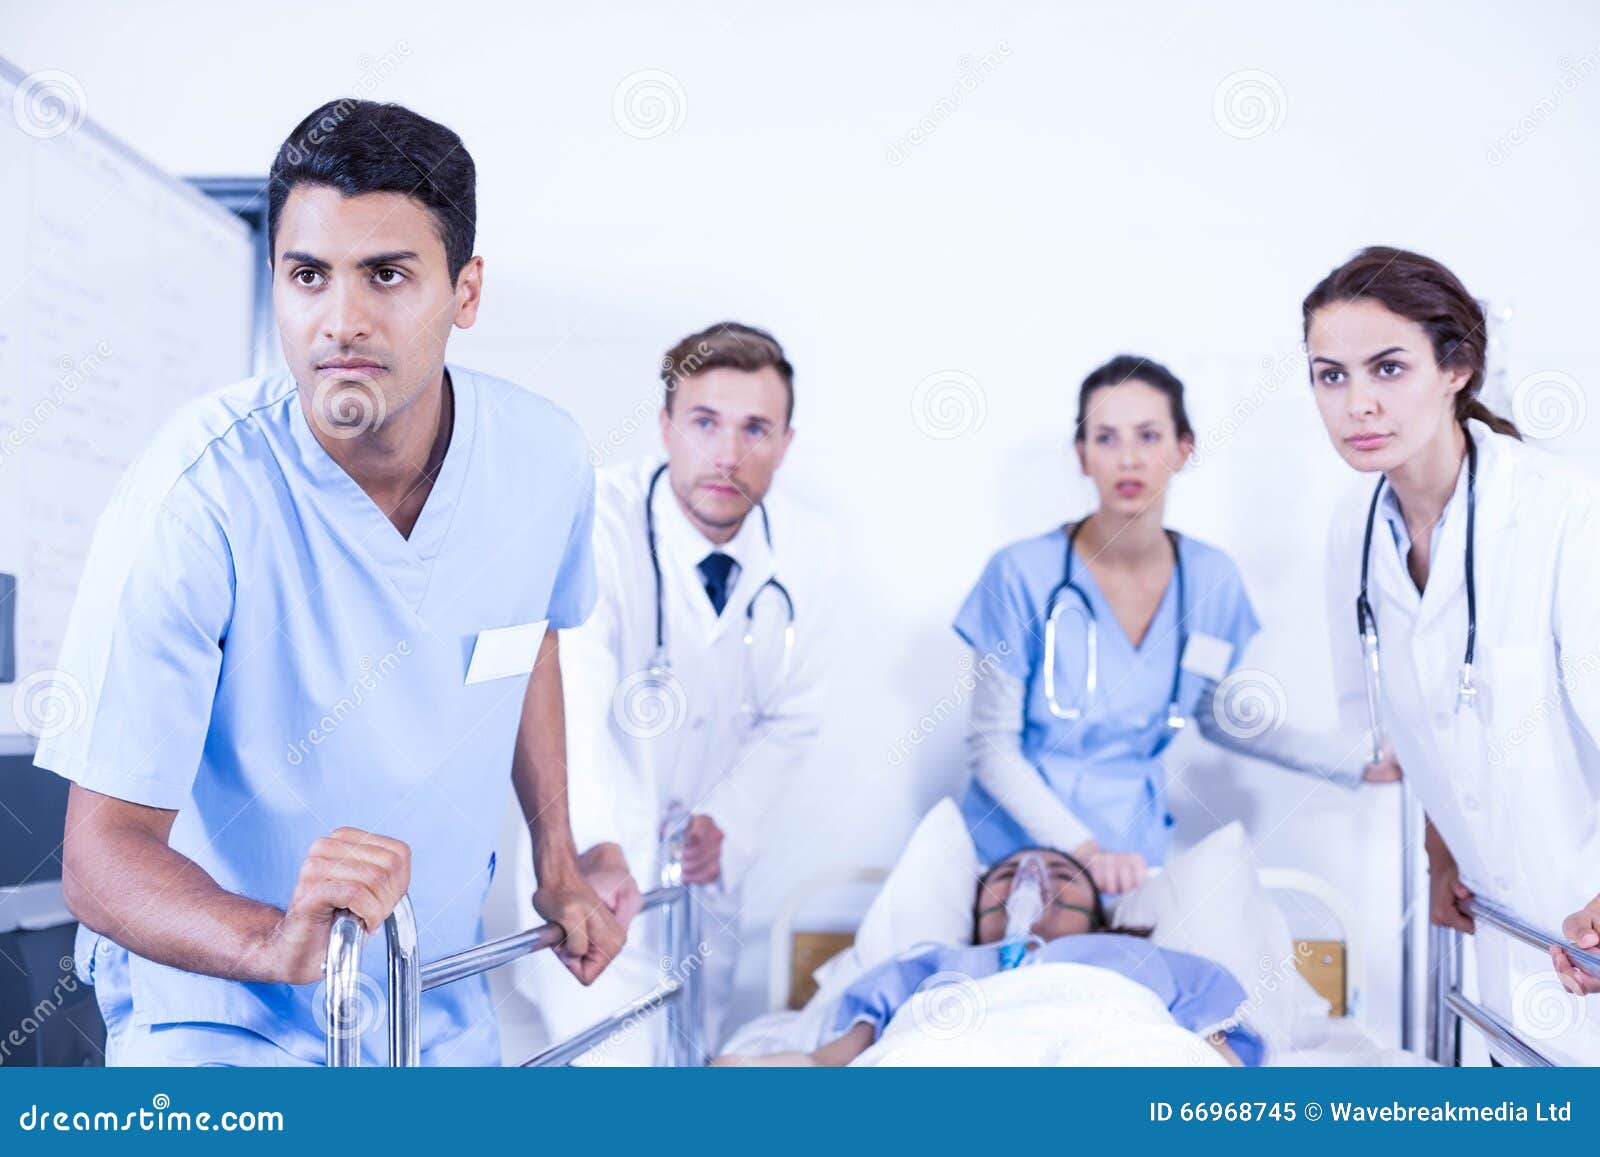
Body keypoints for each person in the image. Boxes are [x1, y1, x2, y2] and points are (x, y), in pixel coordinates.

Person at [34, 100, 639, 1067]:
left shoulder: (544, 459)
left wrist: (558, 862)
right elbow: (98, 860)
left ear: (466, 290)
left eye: (387, 274)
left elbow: (528, 639)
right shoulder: (197, 497)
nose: (341, 322)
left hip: (430, 992)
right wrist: (271, 943)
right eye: (307, 275)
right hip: (219, 1009)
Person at [508, 322, 833, 1062]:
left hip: (700, 884)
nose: (728, 453)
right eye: (705, 421)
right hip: (594, 866)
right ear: (665, 426)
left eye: (756, 427)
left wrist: (727, 819)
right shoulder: (600, 524)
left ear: (785, 441)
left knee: (690, 1058)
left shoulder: (810, 552)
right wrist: (605, 845)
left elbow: (793, 716)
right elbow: (575, 699)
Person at [1308, 245, 1600, 1061]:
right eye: (1330, 375)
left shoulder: (1563, 516)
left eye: (1388, 368)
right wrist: (1441, 853)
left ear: (1457, 367)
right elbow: (1424, 720)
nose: (1356, 403)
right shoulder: (1356, 529)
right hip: (1508, 931)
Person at [954, 355, 1397, 891]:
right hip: (1017, 857)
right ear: (1082, 455)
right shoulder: (1020, 574)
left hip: (1134, 856)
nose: (1128, 459)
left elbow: (1215, 713)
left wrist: (1351, 761)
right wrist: (1083, 852)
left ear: (1183, 449)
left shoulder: (1210, 579)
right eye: (1106, 438)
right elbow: (992, 747)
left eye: (1148, 435)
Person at [713, 846, 1262, 1066]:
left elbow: (1218, 1068)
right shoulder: (926, 966)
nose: (1030, 883)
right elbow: (825, 1064)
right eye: (1004, 876)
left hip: (1115, 1035)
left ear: (1099, 914)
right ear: (977, 913)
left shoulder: (1148, 960)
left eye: (1062, 877)